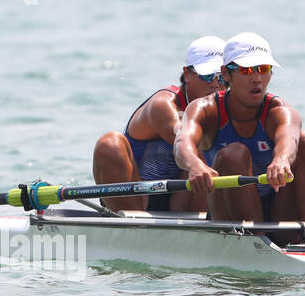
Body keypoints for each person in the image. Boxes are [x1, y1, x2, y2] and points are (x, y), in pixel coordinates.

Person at [174, 32, 305, 229]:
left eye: (263, 69)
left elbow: (289, 140)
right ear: (226, 74)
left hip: (279, 211)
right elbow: (182, 144)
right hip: (230, 213)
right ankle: (256, 245)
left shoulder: (280, 111)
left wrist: (281, 160)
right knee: (234, 154)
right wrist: (194, 164)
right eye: (247, 71)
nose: (257, 79)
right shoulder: (204, 109)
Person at [91, 36, 225, 211]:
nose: (215, 84)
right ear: (187, 74)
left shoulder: (228, 106)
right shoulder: (164, 105)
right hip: (135, 197)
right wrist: (197, 164)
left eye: (221, 77)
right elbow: (183, 142)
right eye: (207, 76)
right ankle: (132, 225)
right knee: (110, 143)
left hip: (179, 201)